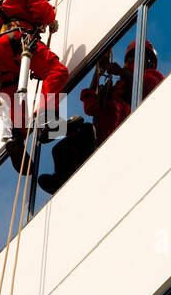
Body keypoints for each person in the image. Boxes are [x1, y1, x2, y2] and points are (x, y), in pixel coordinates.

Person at [37, 40, 163, 195]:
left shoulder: (152, 77)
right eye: (129, 58)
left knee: (109, 110)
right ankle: (61, 179)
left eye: (134, 58)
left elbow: (146, 87)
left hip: (122, 125)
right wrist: (98, 74)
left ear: (148, 61)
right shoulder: (116, 87)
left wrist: (120, 72)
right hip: (100, 131)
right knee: (60, 149)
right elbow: (91, 108)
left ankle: (80, 143)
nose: (130, 61)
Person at [0, 0, 69, 173]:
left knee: (14, 98)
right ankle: (47, 117)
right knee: (57, 71)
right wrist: (51, 19)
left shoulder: (3, 3)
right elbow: (40, 7)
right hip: (18, 40)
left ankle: (16, 138)